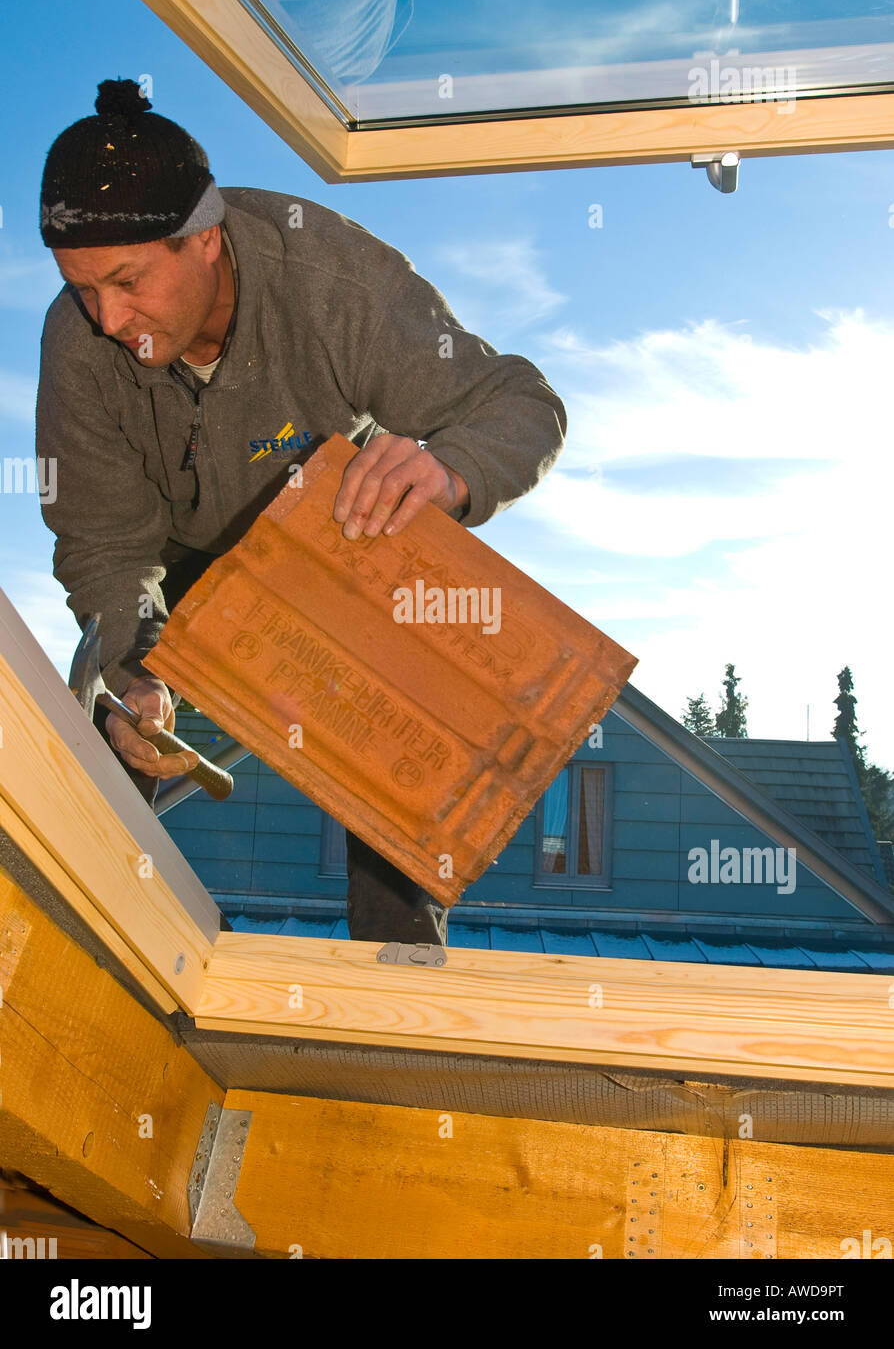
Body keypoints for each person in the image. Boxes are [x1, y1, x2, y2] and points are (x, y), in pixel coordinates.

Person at [36, 78, 567, 945]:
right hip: (173, 554)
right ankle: (95, 957)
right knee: (107, 713)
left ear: (205, 239)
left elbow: (522, 405)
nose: (108, 320)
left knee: (402, 724)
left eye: (128, 282)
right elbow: (100, 540)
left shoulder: (330, 277)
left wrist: (446, 472)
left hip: (326, 532)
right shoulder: (78, 343)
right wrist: (136, 666)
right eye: (82, 289)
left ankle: (398, 986)